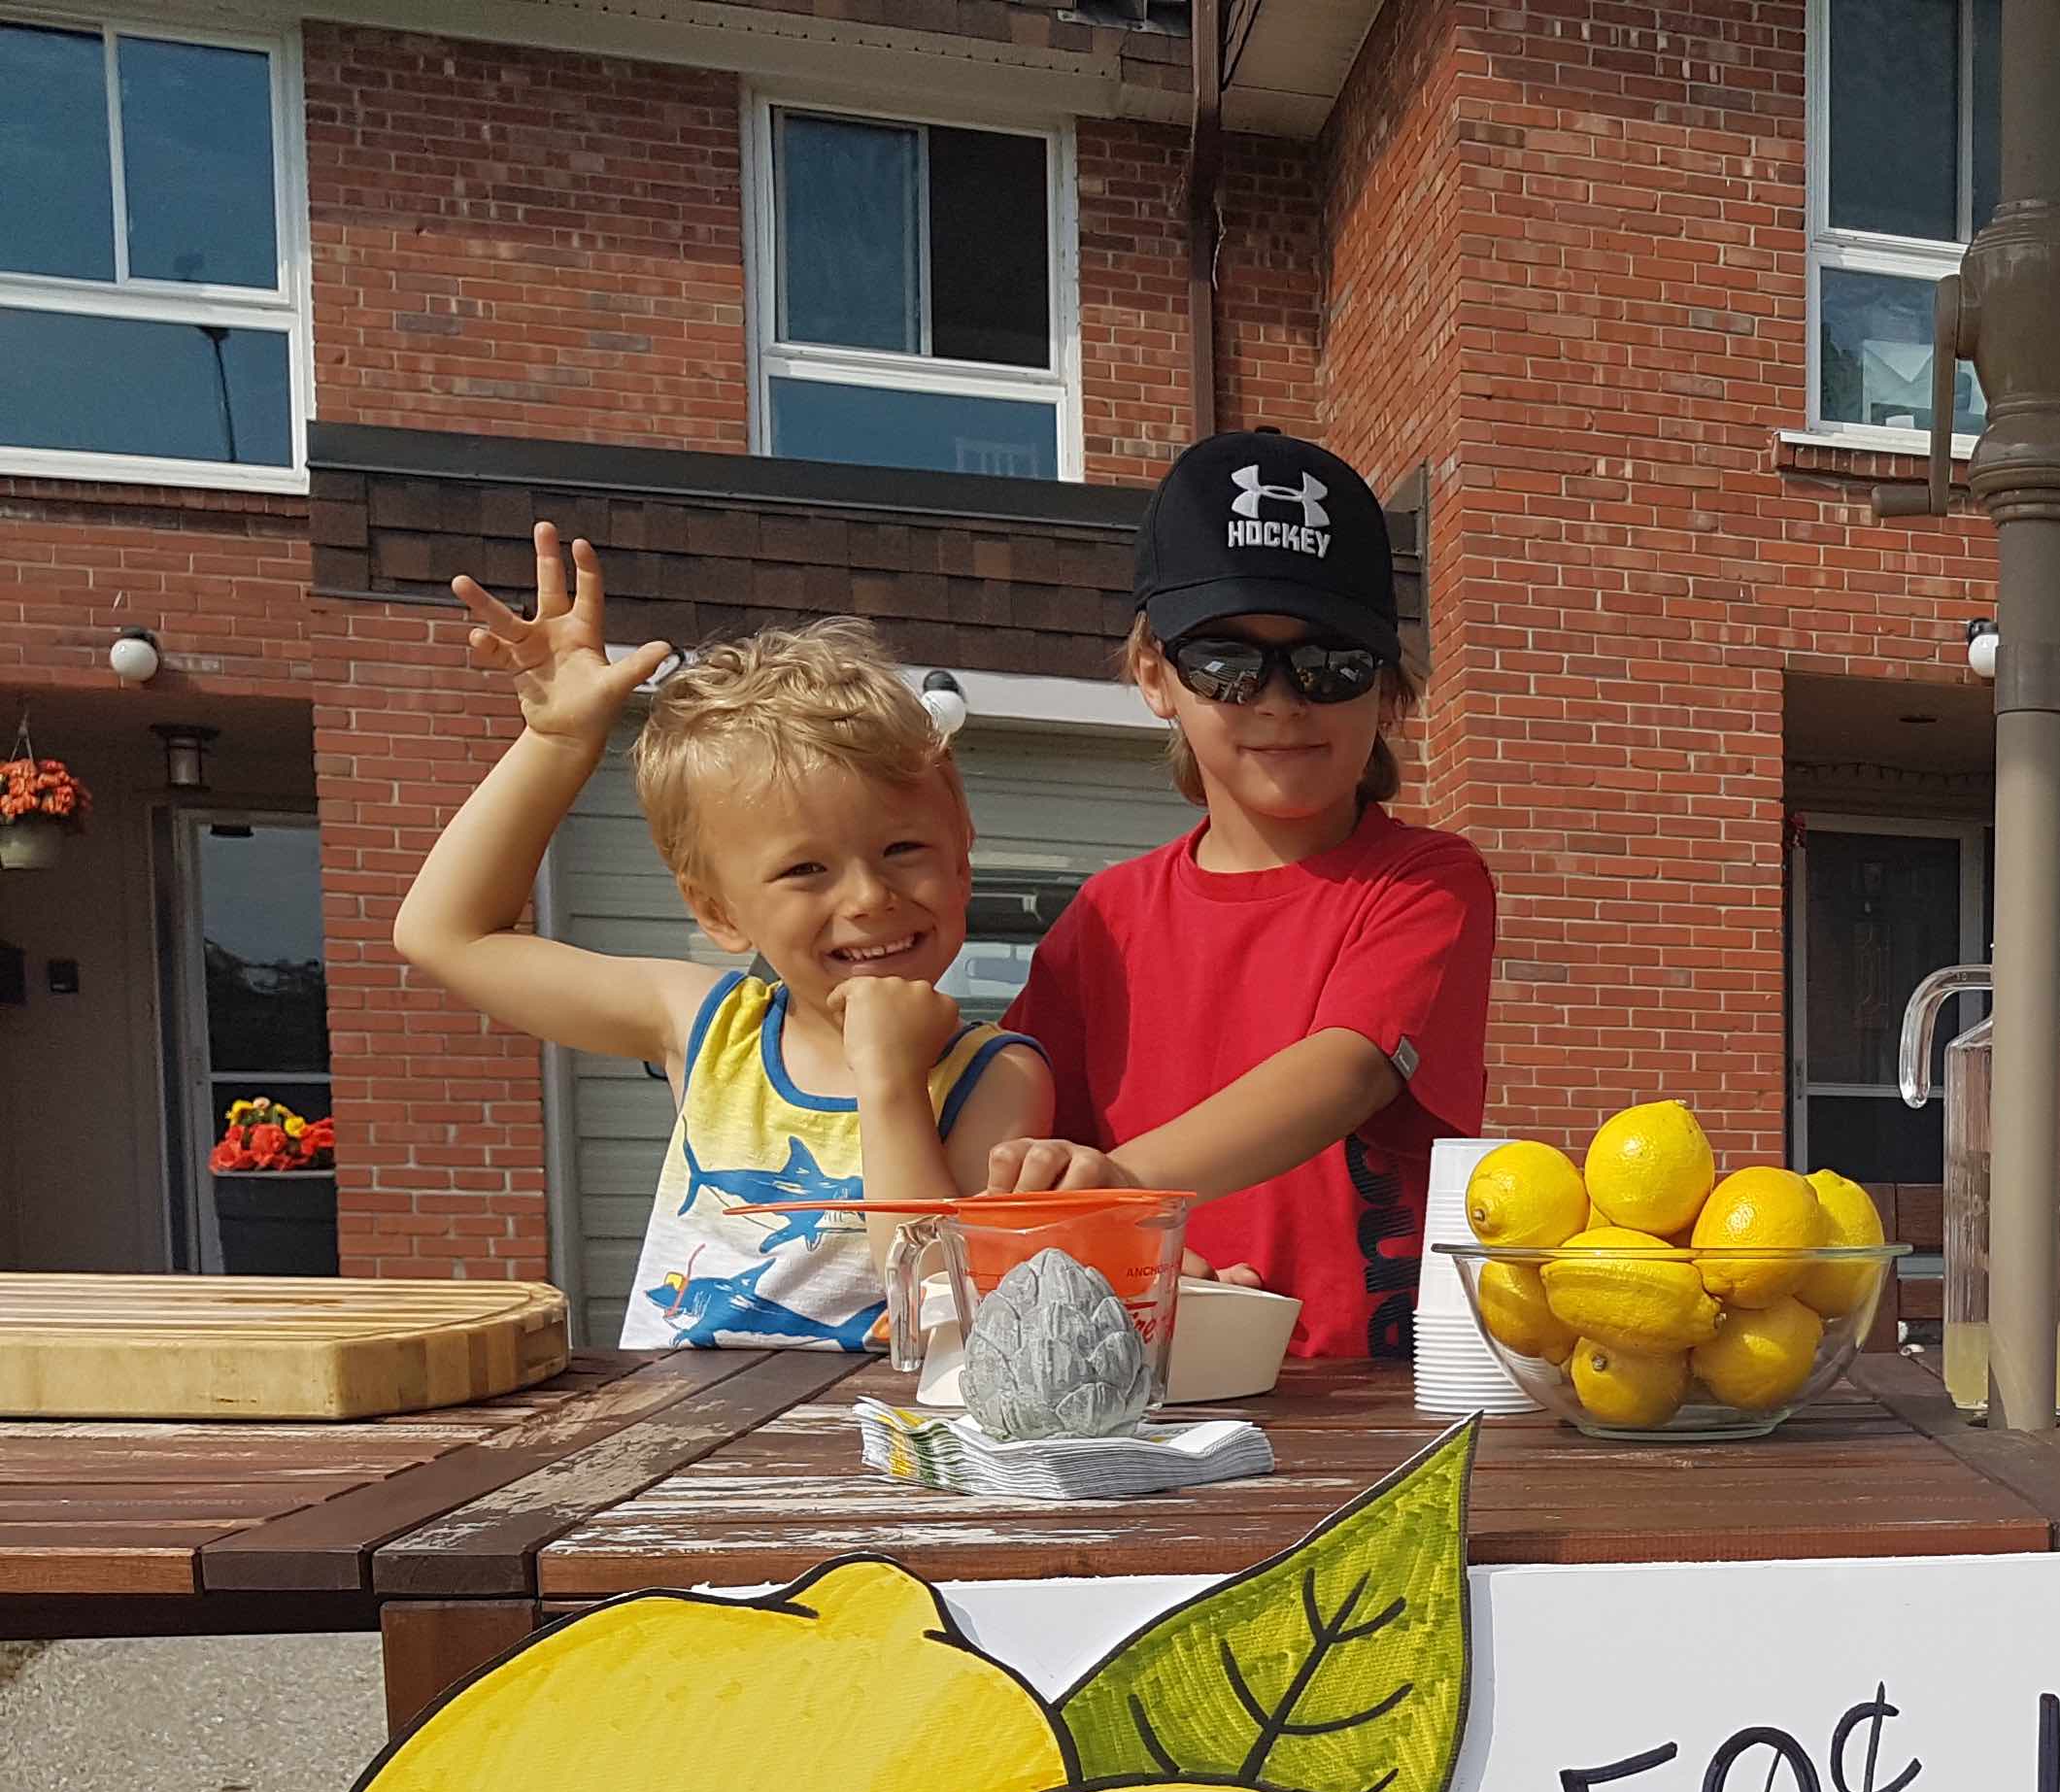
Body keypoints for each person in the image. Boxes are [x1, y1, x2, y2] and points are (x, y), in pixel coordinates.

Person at [393, 526, 1051, 1349]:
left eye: (903, 850)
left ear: (962, 861)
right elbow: (441, 934)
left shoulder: (996, 1074)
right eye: (805, 870)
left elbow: (935, 1308)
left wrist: (887, 1077)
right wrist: (557, 741)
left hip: (861, 1461)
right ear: (719, 913)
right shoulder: (707, 1025)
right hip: (669, 1443)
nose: (869, 896)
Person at [988, 430, 1492, 1364]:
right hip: (1147, 1373)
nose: (1280, 701)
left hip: (1364, 1390)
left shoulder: (1426, 880)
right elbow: (1016, 1129)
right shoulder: (1100, 919)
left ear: (1388, 690)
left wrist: (1120, 1186)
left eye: (1330, 663)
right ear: (1153, 676)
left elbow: (1345, 1072)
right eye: (1226, 661)